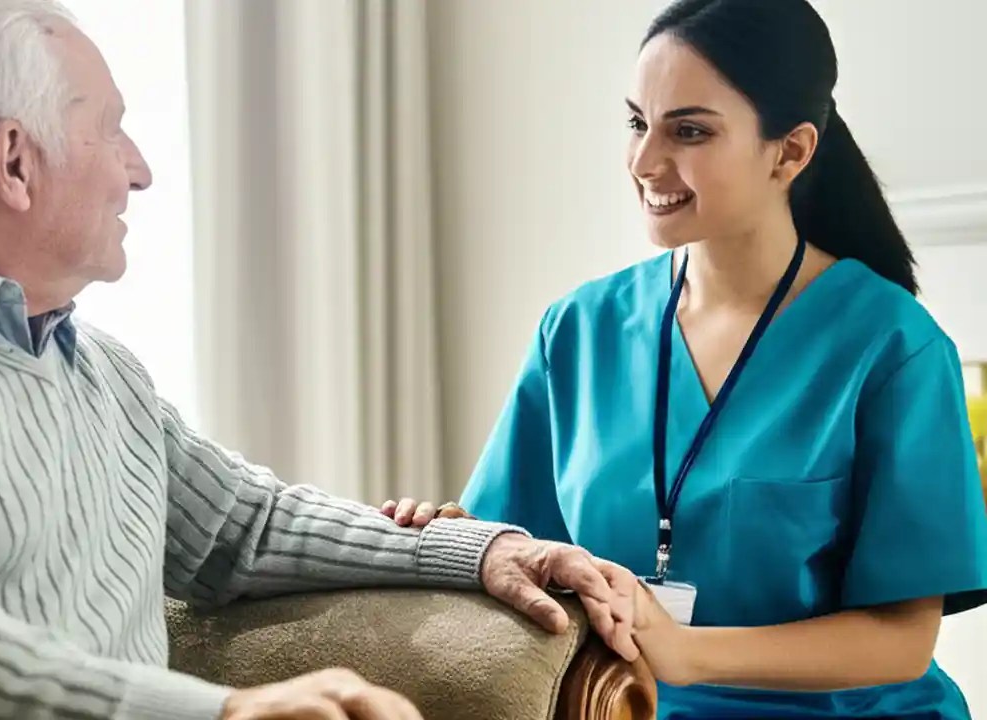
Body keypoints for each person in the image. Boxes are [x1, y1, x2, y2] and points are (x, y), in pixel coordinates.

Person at [0, 1, 643, 719]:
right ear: (16, 162)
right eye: (111, 127)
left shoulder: (101, 372)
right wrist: (218, 712)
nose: (140, 168)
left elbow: (249, 527)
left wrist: (483, 550)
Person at [384, 0, 987, 718]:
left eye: (689, 131)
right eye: (637, 123)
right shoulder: (577, 331)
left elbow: (902, 639)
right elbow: (520, 550)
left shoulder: (892, 345)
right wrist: (452, 540)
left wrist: (688, 652)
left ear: (790, 152)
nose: (644, 162)